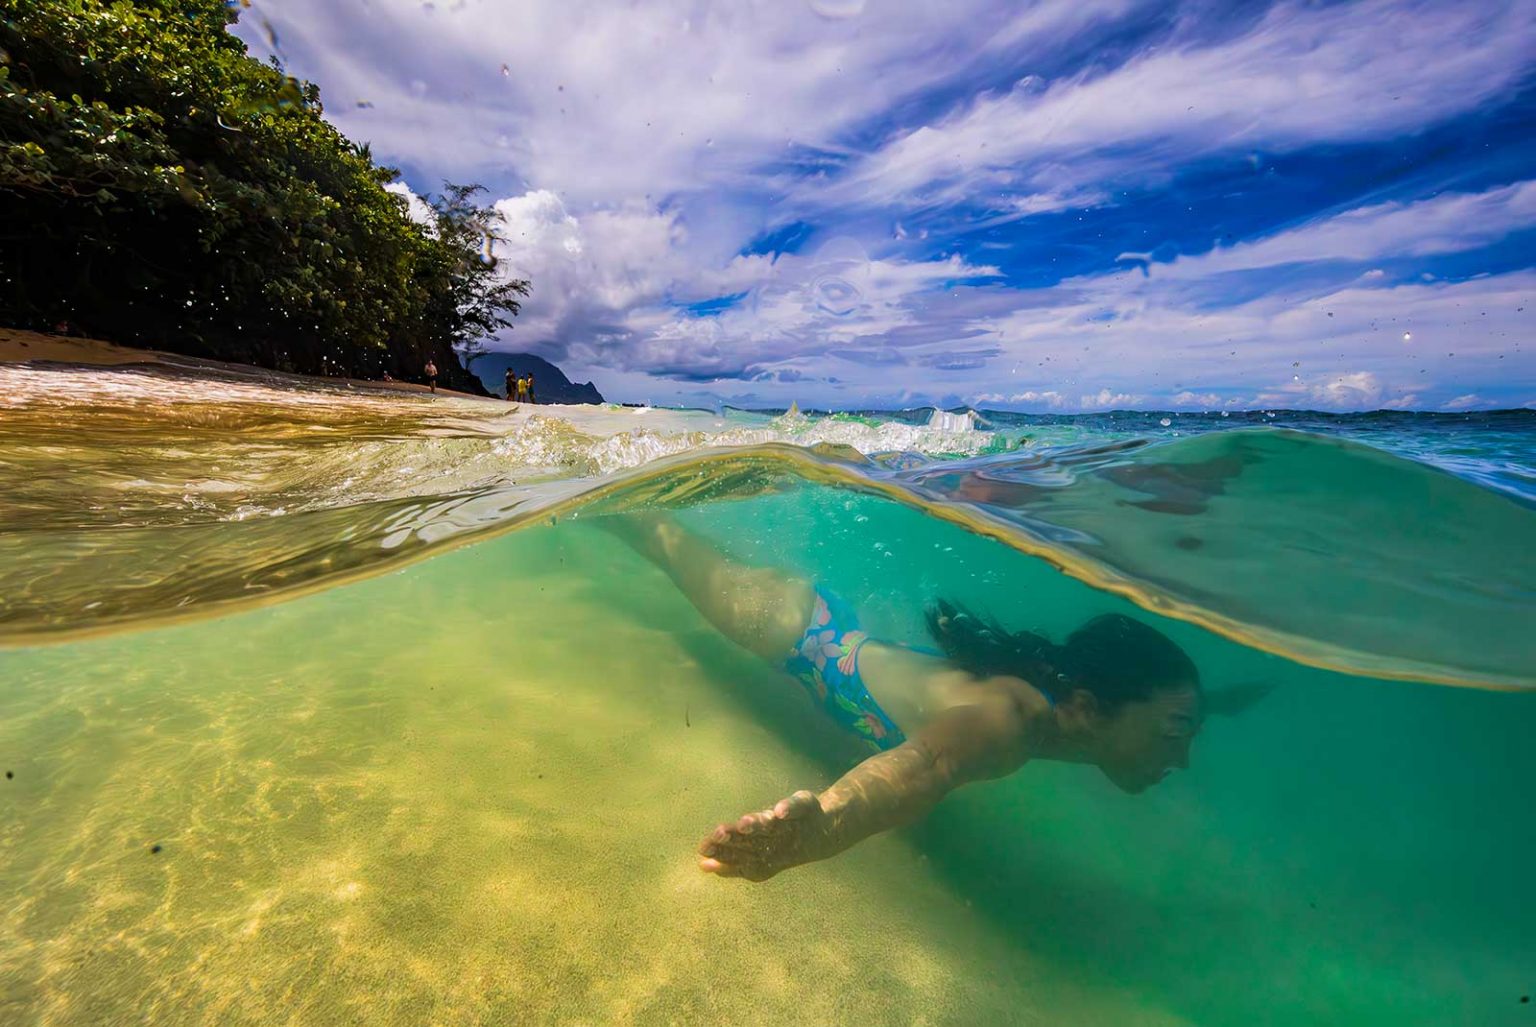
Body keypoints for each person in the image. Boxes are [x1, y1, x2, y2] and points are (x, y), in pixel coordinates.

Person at [603, 511, 1270, 882]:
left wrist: (1221, 702)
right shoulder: (1012, 721)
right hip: (789, 631)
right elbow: (926, 765)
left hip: (820, 621)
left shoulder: (1076, 709)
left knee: (661, 534)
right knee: (645, 529)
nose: (1183, 757)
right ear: (1091, 707)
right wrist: (825, 826)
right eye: (1175, 731)